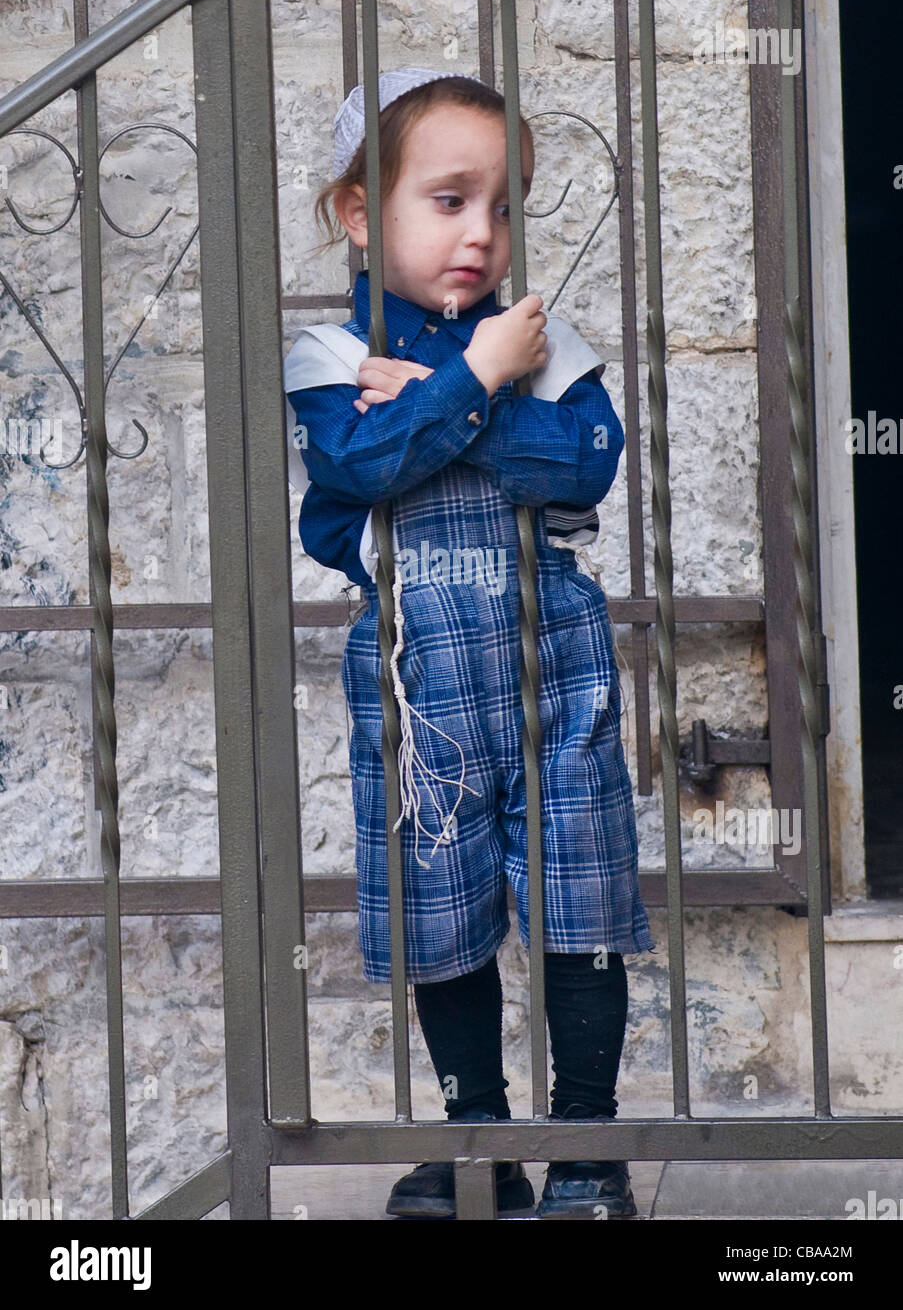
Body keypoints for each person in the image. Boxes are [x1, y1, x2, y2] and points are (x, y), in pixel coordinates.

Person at [284, 67, 655, 1220]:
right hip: (418, 682)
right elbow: (355, 471)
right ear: (359, 213)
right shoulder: (325, 359)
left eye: (503, 204)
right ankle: (476, 1138)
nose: (481, 232)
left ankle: (587, 1149)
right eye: (448, 200)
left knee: (579, 901)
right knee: (439, 911)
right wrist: (484, 385)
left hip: (558, 669)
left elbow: (585, 461)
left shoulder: (547, 336)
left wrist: (456, 392)